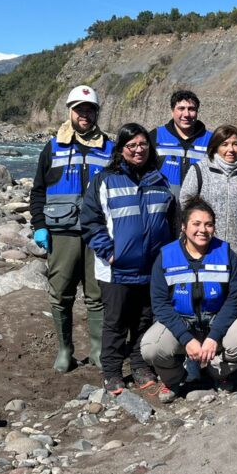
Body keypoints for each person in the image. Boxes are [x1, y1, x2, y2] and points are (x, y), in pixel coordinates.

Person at [80, 123, 176, 394]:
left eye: (143, 145)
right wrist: (109, 252)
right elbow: (90, 221)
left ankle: (139, 365)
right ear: (121, 149)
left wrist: (167, 258)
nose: (138, 150)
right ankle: (111, 372)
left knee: (144, 319)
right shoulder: (105, 179)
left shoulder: (160, 180)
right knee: (116, 321)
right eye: (131, 145)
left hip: (151, 267)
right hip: (116, 268)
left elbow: (170, 223)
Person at [141, 197, 237, 403]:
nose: (202, 230)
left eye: (208, 224)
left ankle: (216, 373)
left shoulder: (225, 254)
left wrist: (214, 336)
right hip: (181, 322)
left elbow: (234, 298)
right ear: (184, 227)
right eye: (196, 224)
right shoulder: (166, 256)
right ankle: (176, 378)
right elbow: (160, 304)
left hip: (216, 320)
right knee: (150, 347)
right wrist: (186, 339)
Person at [30, 85, 114, 373]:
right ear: (70, 111)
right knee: (61, 293)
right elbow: (38, 191)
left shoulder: (110, 148)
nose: (84, 115)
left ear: (96, 113)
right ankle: (65, 349)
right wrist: (39, 226)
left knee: (97, 295)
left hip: (98, 234)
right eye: (79, 109)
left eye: (89, 110)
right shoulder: (52, 147)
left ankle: (97, 351)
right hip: (61, 232)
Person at [179, 125, 237, 271]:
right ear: (215, 147)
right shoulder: (200, 170)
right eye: (224, 144)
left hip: (236, 253)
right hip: (203, 251)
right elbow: (185, 205)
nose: (230, 149)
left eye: (235, 144)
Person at [149, 90, 213, 200]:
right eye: (181, 108)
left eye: (191, 109)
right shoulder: (156, 136)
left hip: (196, 210)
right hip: (163, 208)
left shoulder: (211, 140)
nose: (186, 114)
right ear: (172, 111)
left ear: (197, 112)